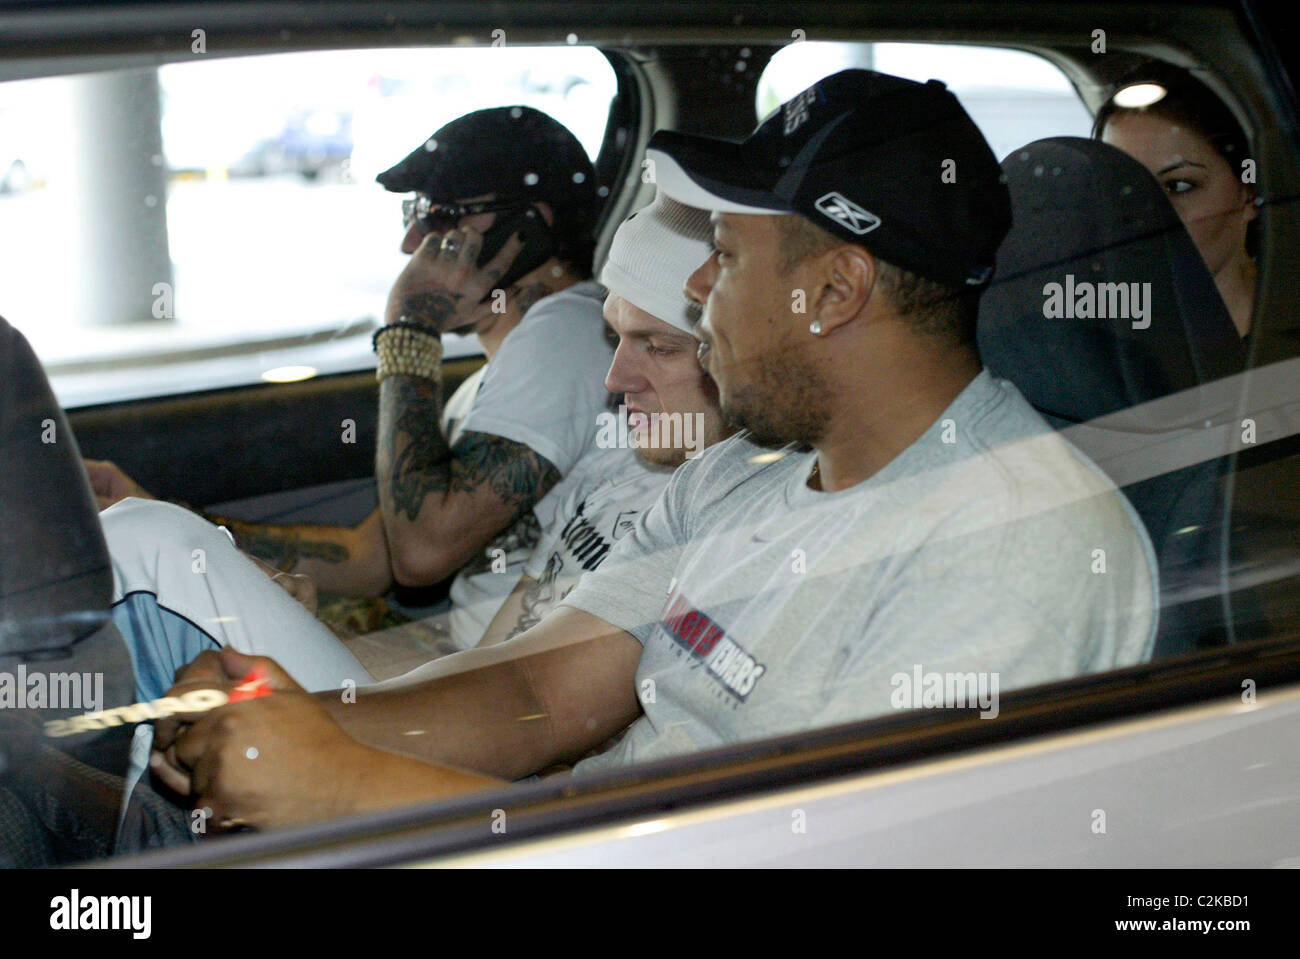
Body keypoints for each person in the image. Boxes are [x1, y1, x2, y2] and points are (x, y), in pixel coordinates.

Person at [151, 70, 1159, 832]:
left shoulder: (1014, 543)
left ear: (836, 290)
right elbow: (536, 691)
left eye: (722, 257)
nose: (696, 294)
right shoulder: (743, 478)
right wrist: (307, 722)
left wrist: (347, 781)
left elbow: (817, 854)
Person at [101, 188, 725, 700]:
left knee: (147, 540)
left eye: (442, 219)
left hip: (476, 738)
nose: (613, 381)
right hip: (449, 687)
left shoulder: (709, 504)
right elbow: (465, 639)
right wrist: (305, 636)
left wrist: (408, 328)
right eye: (615, 341)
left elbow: (426, 564)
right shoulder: (610, 471)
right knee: (166, 582)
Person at [89, 106, 615, 650]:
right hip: (452, 662)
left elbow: (421, 553)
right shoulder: (493, 380)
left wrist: (410, 325)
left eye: (439, 216)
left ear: (531, 227)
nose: (412, 242)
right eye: (414, 214)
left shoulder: (570, 332)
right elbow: (367, 559)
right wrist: (163, 515)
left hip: (495, 692)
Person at [1094, 62, 1259, 337]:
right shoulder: (1101, 342)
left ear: (1249, 194)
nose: (1142, 213)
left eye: (1178, 186)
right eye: (1120, 185)